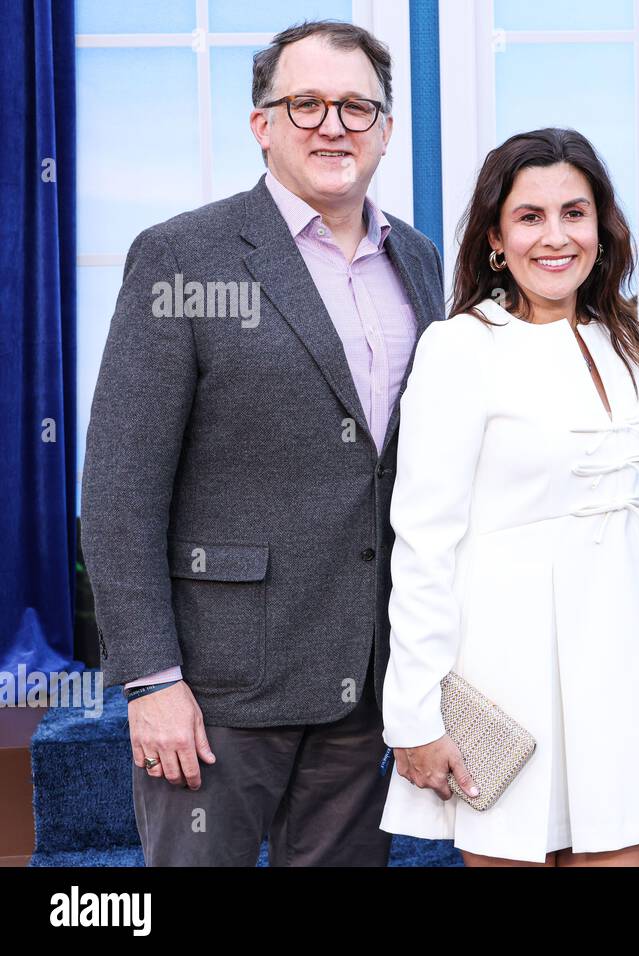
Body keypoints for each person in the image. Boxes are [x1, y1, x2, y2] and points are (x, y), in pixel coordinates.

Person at [80, 21, 445, 866]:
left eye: (356, 106)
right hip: (216, 691)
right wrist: (152, 681)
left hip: (363, 679)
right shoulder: (183, 255)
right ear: (262, 124)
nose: (333, 125)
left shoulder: (418, 260)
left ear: (386, 129)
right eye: (305, 103)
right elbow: (120, 487)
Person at [379, 128, 639, 867]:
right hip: (508, 680)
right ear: (496, 236)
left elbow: (634, 509)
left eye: (574, 213)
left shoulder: (623, 343)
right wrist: (415, 716)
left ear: (601, 227)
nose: (556, 237)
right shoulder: (461, 348)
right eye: (530, 217)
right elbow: (422, 543)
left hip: (624, 677)